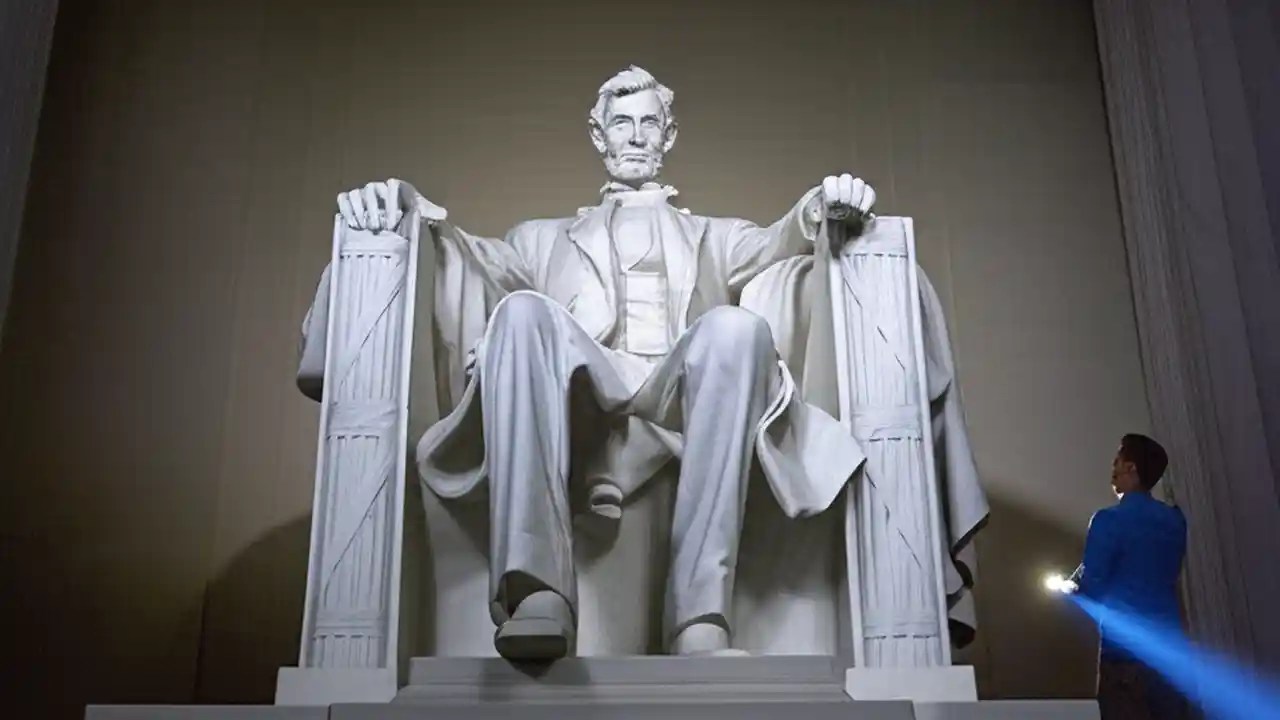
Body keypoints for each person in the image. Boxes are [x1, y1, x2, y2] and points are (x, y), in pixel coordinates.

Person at [313, 66, 877, 661]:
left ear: (669, 135)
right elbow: (464, 253)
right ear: (598, 134)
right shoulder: (538, 239)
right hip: (584, 390)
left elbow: (780, 239)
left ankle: (699, 618)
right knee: (523, 313)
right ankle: (538, 593)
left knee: (737, 329)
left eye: (649, 124)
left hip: (680, 390)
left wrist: (820, 206)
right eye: (621, 123)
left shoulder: (715, 236)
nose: (635, 136)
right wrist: (404, 207)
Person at [1072, 433, 1188, 719]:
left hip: (1126, 655)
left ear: (1131, 468)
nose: (1113, 467)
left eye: (1118, 460)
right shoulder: (1175, 521)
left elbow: (1092, 585)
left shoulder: (1108, 520)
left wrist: (1072, 587)